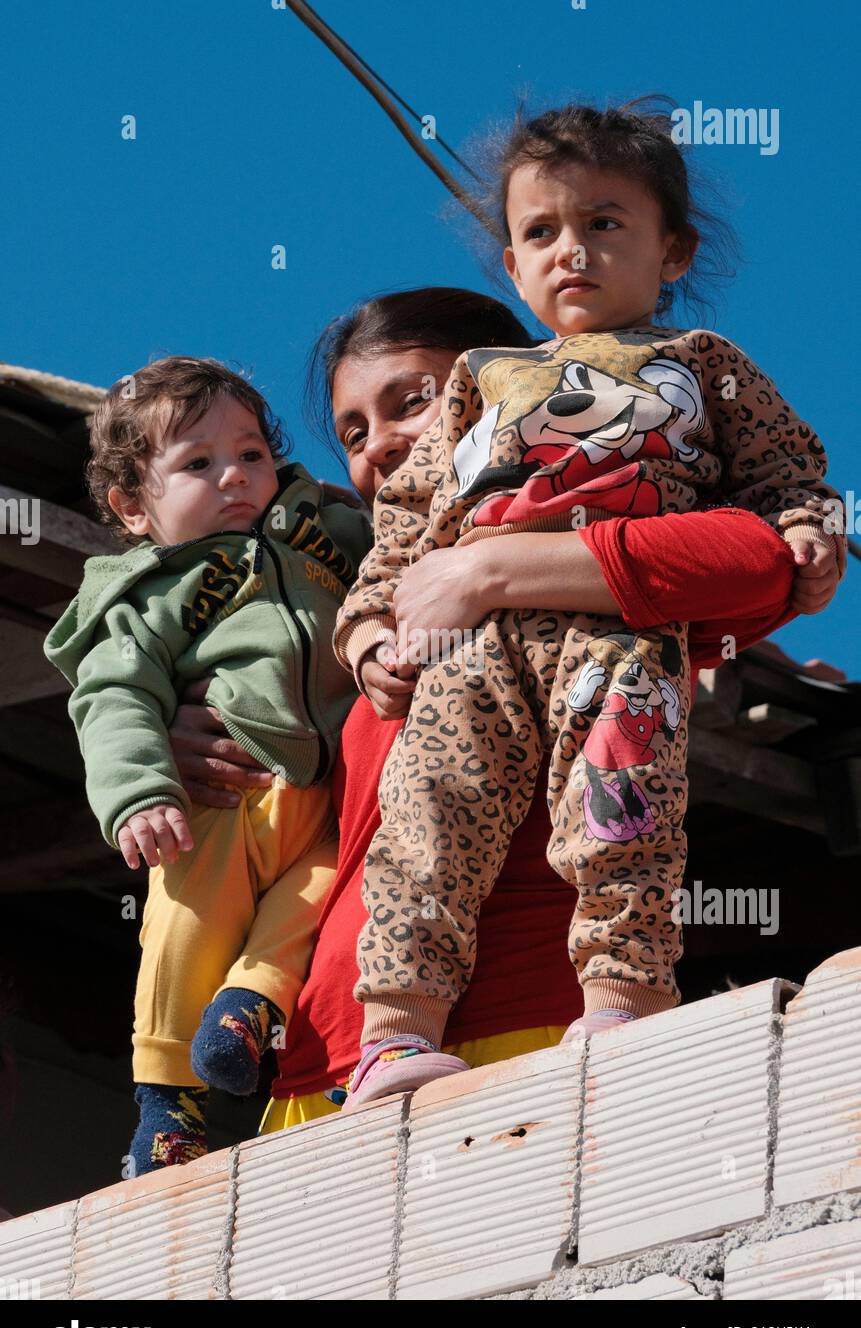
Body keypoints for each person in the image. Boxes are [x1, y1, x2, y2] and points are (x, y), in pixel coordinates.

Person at [166, 287, 831, 1132]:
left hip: (526, 1038)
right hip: (328, 1068)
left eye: (414, 402)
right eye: (353, 433)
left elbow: (756, 557)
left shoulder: (589, 616)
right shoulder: (366, 638)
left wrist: (491, 570)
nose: (381, 448)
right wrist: (181, 741)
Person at [331, 101, 847, 1110]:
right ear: (514, 269)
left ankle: (623, 994)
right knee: (432, 808)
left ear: (673, 249)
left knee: (624, 803)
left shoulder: (706, 367)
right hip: (470, 650)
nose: (572, 249)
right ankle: (395, 1030)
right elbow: (400, 534)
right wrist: (368, 637)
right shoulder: (480, 383)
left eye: (605, 222)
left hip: (621, 633)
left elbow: (787, 468)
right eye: (541, 233)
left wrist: (804, 525)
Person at [43, 357, 370, 1172]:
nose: (234, 476)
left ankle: (247, 1007)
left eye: (251, 453)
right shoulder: (145, 593)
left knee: (319, 897)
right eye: (196, 464)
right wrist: (141, 792)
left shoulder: (324, 529)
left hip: (325, 797)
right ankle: (166, 1105)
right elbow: (112, 697)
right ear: (131, 506)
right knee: (185, 923)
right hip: (221, 796)